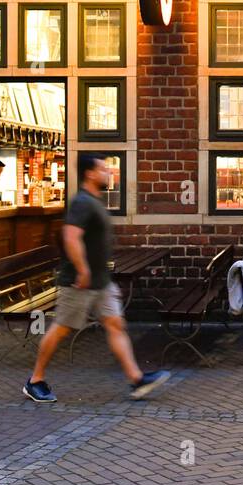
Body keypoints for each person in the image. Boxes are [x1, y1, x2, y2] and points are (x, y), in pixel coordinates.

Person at [23, 153, 170, 403]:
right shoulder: (82, 202)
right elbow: (70, 237)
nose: (108, 172)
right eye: (103, 169)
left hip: (100, 280)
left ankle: (136, 379)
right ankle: (35, 380)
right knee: (61, 329)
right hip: (79, 281)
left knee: (115, 325)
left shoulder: (93, 201)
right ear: (90, 173)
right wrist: (82, 270)